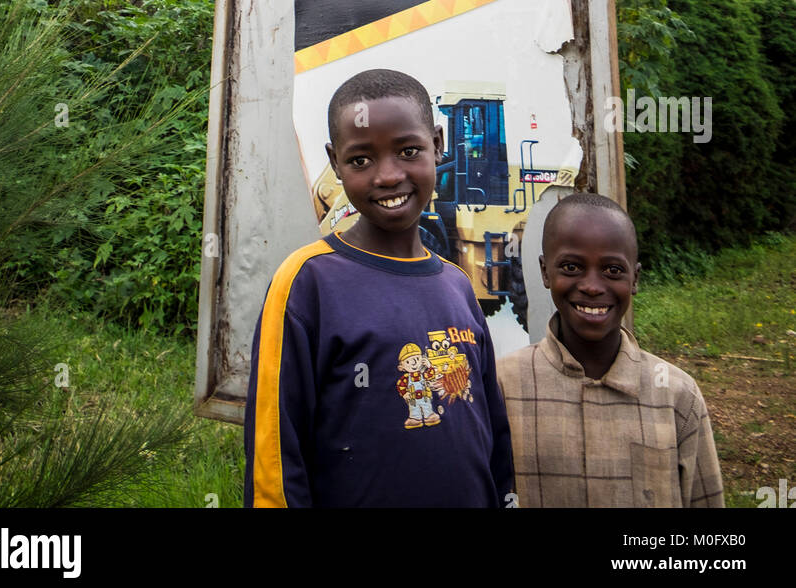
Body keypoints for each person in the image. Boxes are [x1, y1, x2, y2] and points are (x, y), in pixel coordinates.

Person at [244, 67, 515, 508]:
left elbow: (492, 430)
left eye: (408, 151)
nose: (387, 176)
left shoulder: (457, 285)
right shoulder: (306, 283)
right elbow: (275, 453)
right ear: (335, 163)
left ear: (438, 145)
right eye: (360, 160)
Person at [497, 191, 725, 508]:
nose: (592, 285)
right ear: (546, 272)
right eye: (571, 267)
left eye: (613, 270)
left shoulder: (677, 396)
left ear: (635, 278)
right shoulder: (502, 386)